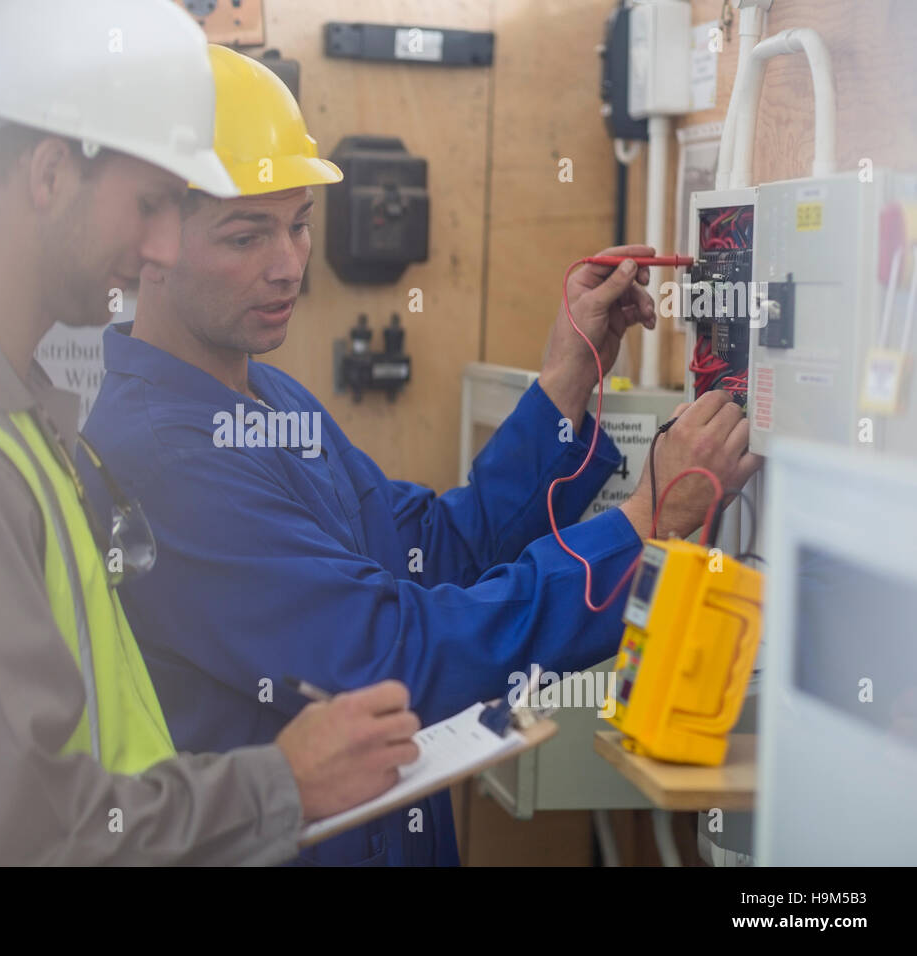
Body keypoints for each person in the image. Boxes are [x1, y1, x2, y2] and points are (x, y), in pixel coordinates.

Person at [0, 0, 419, 866]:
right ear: (47, 174)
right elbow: (10, 838)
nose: (160, 248)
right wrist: (279, 787)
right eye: (150, 203)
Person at [82, 46, 762, 866]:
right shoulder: (166, 460)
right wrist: (645, 526)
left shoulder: (269, 398)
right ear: (149, 243)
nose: (288, 264)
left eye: (298, 224)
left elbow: (434, 548)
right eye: (245, 235)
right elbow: (392, 654)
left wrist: (562, 388)